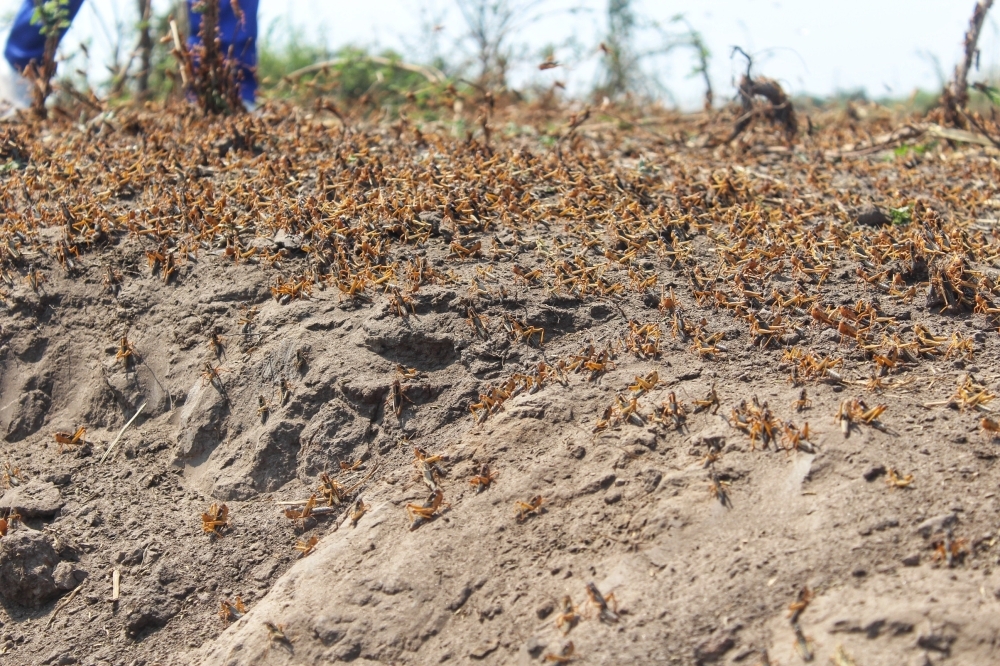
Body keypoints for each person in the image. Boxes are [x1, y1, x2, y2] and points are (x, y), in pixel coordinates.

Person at [0, 0, 258, 110]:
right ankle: (19, 72)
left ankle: (227, 86)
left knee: (226, 73)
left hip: (223, 80)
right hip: (24, 69)